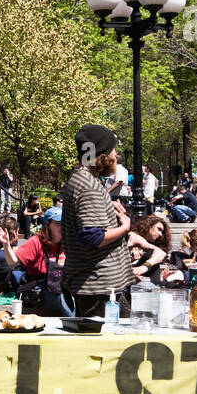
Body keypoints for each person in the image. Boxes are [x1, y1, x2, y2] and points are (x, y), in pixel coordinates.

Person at [60, 124, 134, 317]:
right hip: (98, 289)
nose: (115, 155)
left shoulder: (83, 180)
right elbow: (92, 237)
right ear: (100, 154)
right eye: (112, 149)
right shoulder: (88, 185)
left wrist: (108, 206)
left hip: (97, 286)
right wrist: (125, 227)